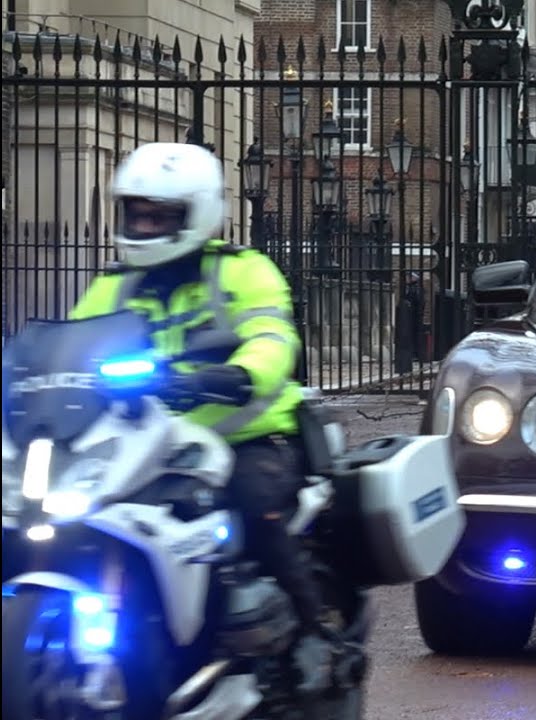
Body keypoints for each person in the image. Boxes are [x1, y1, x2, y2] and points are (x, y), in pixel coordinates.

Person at [67, 142, 343, 695]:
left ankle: (319, 634)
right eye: (138, 214)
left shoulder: (242, 271)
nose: (146, 226)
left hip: (248, 436)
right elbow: (72, 345)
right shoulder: (113, 284)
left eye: (161, 216)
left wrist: (240, 373)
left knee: (255, 502)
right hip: (146, 443)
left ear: (197, 214)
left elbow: (272, 336)